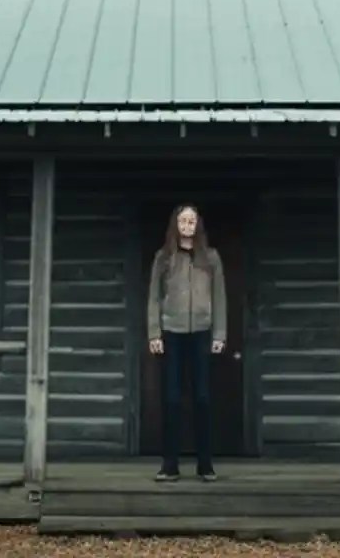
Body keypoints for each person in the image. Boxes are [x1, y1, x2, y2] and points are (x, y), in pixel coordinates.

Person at [147, 204, 226, 482]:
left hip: (202, 333)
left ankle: (205, 465)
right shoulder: (164, 257)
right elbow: (154, 297)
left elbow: (219, 297)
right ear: (176, 224)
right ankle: (170, 465)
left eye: (192, 220)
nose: (188, 224)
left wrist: (219, 334)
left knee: (203, 398)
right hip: (173, 332)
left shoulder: (211, 258)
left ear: (197, 225)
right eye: (183, 220)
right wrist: (154, 333)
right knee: (171, 398)